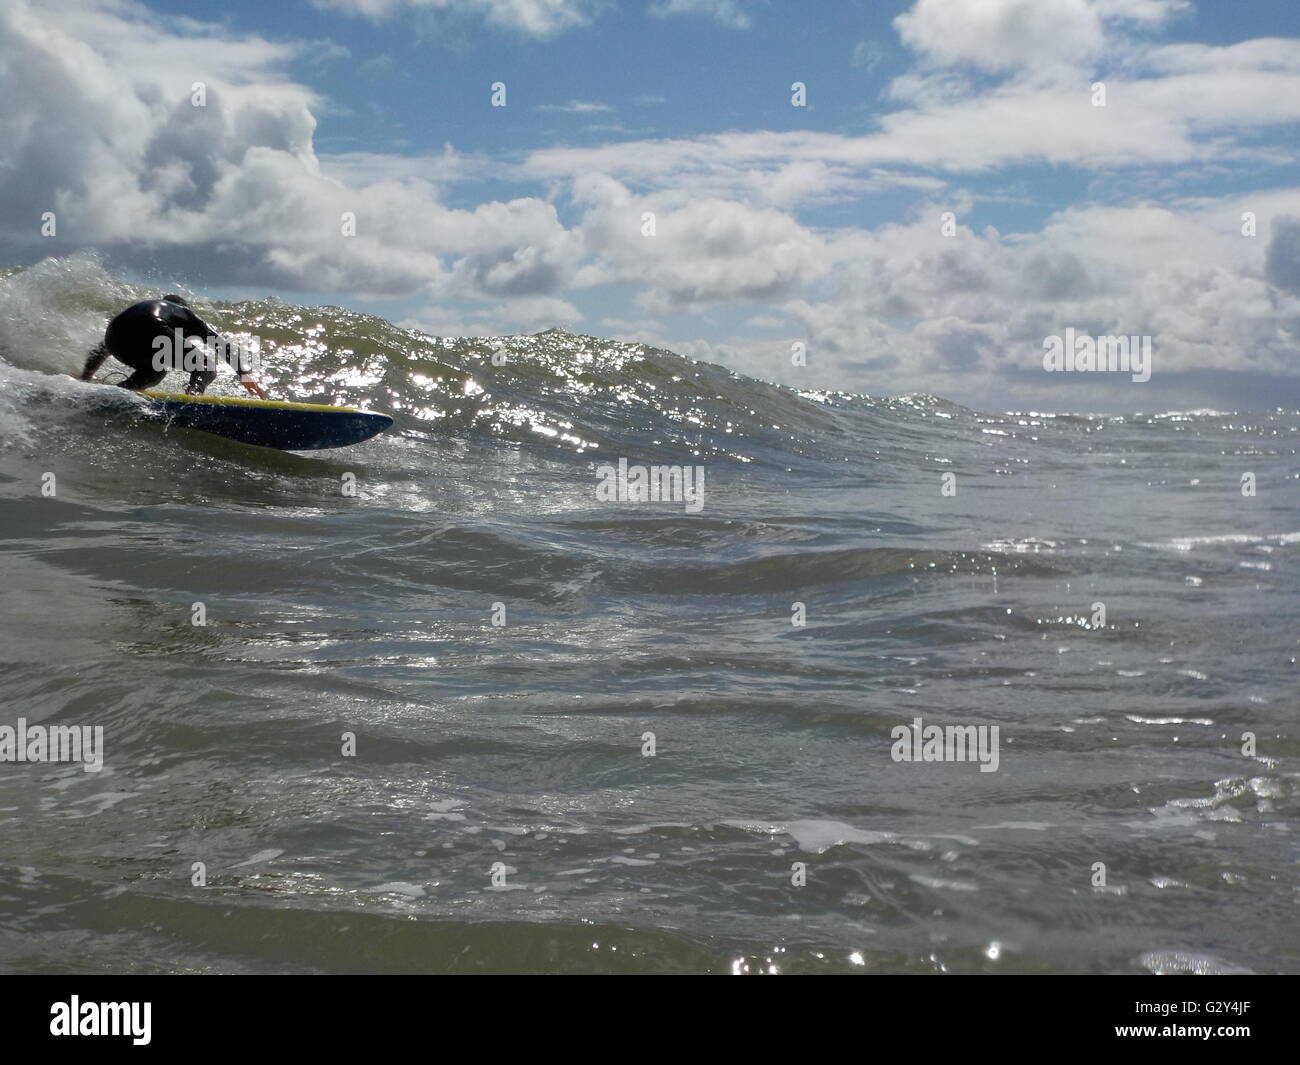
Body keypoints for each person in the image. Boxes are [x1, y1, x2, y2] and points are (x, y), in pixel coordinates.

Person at [80, 294, 267, 398]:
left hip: (115, 335)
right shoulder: (186, 314)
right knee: (206, 366)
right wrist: (244, 375)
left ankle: (113, 395)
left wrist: (86, 374)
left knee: (155, 371)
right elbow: (219, 343)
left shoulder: (148, 306)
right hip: (151, 325)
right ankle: (193, 397)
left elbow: (103, 347)